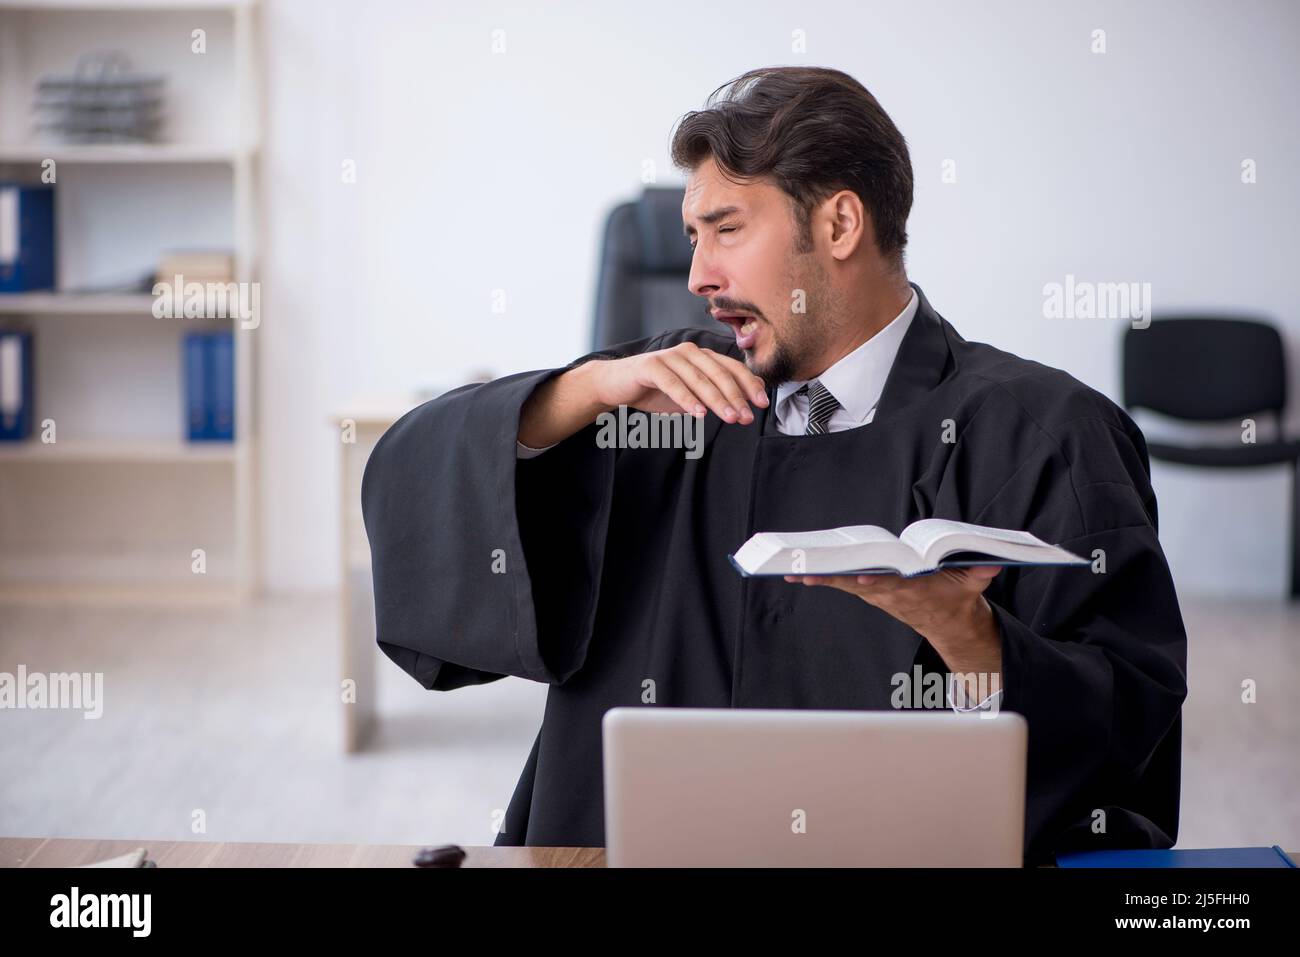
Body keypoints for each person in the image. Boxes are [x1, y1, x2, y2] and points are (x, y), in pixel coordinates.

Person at [361, 66, 1187, 865]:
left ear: (838, 225)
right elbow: (414, 483)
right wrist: (576, 393)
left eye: (726, 230)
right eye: (693, 237)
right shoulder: (655, 397)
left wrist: (969, 635)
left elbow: (1128, 729)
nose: (697, 277)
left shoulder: (1046, 432)